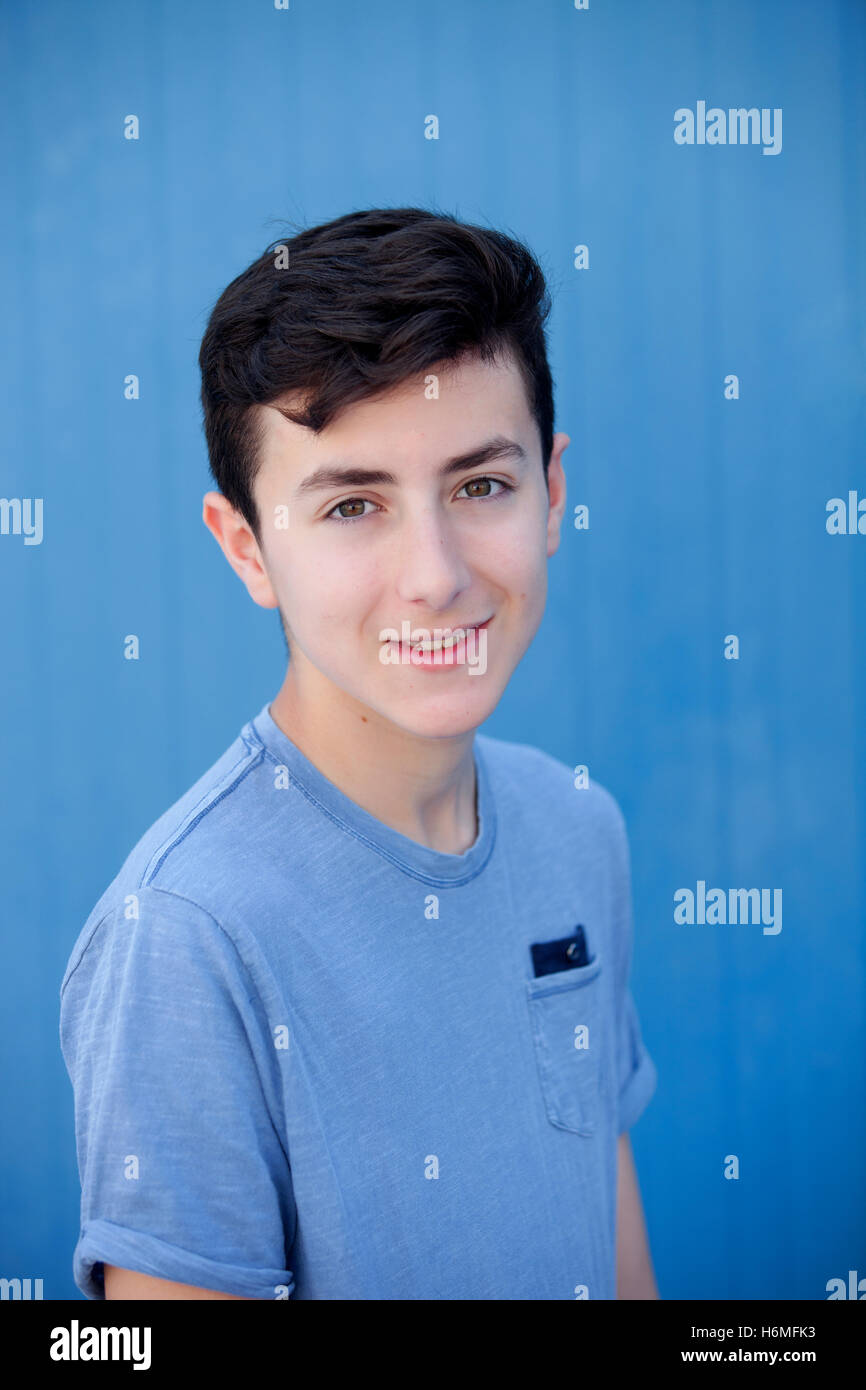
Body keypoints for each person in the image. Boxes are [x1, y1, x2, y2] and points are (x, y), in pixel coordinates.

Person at [60, 206, 659, 1300]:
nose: (434, 574)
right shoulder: (186, 939)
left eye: (480, 486)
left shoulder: (578, 831)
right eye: (350, 505)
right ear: (246, 548)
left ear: (552, 492)